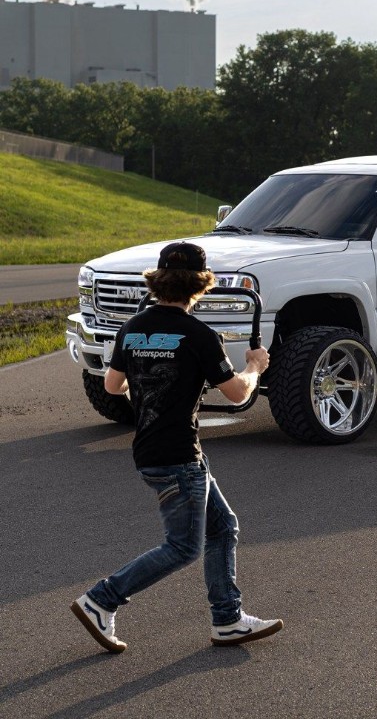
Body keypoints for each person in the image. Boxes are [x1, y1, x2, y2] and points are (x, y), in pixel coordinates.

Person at [71, 241, 283, 653]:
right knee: (183, 546)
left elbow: (113, 386)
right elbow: (238, 394)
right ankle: (102, 599)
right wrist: (255, 366)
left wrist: (150, 375)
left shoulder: (132, 328)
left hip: (150, 450)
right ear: (201, 286)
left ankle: (227, 618)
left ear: (157, 279)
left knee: (223, 527)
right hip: (179, 456)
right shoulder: (199, 335)